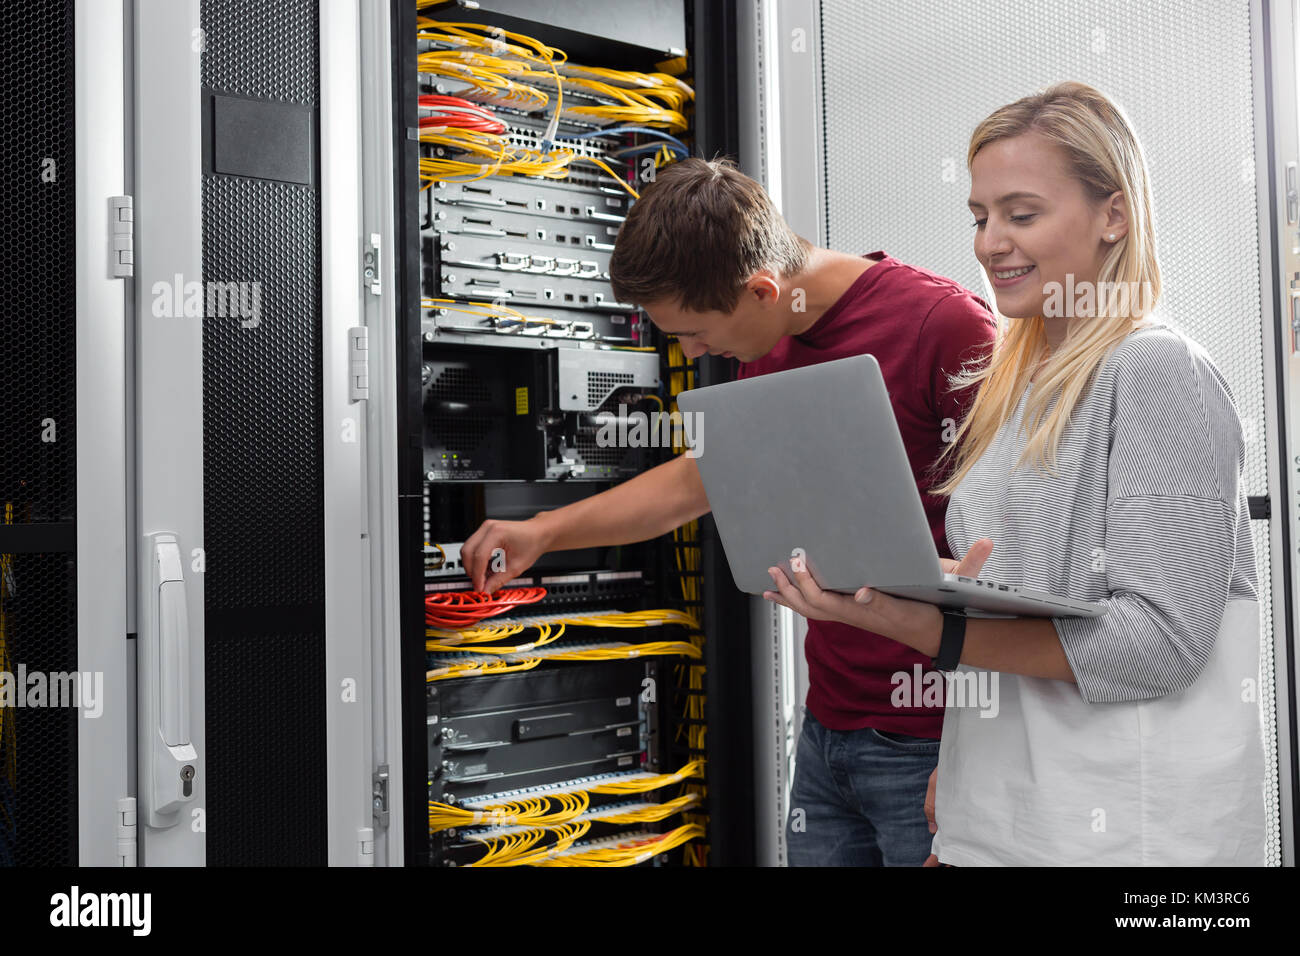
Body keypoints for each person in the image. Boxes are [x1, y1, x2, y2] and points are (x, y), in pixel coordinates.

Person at [764, 81, 1267, 865]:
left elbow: (1158, 643)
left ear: (1114, 214)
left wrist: (930, 627)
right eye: (980, 216)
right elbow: (1029, 599)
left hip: (1128, 844)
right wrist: (959, 775)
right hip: (1001, 820)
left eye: (1021, 214)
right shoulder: (1014, 383)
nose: (990, 241)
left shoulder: (1159, 371)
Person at [461, 157, 996, 865]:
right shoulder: (768, 336)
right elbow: (702, 478)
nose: (691, 350)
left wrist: (977, 761)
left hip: (930, 739)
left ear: (763, 289)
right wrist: (544, 531)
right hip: (830, 726)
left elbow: (1019, 543)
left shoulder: (946, 326)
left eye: (695, 333)